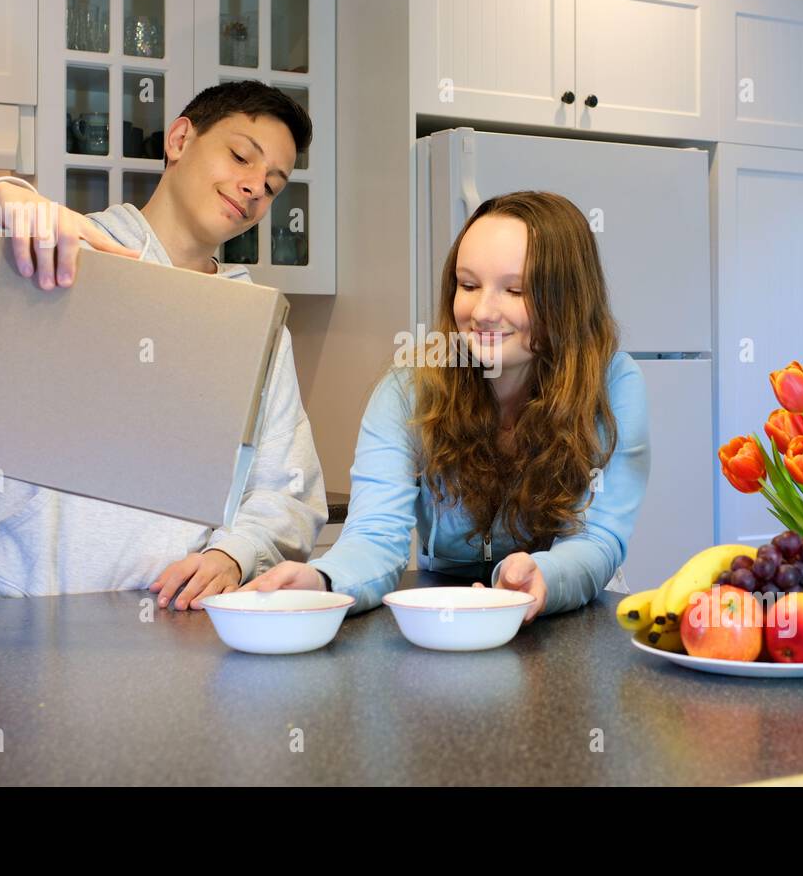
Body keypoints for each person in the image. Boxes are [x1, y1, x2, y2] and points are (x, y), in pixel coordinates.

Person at [0, 81, 326, 608]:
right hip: (9, 610)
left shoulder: (258, 325)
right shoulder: (56, 250)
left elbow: (288, 488)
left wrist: (234, 554)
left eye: (273, 185)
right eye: (240, 156)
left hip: (161, 620)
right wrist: (0, 197)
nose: (255, 187)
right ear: (181, 139)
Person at [243, 191, 649, 622]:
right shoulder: (409, 390)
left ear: (568, 299)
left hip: (567, 615)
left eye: (515, 290)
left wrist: (542, 575)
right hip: (448, 613)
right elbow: (376, 535)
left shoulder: (613, 386)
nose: (483, 312)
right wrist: (324, 581)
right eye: (468, 285)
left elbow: (597, 538)